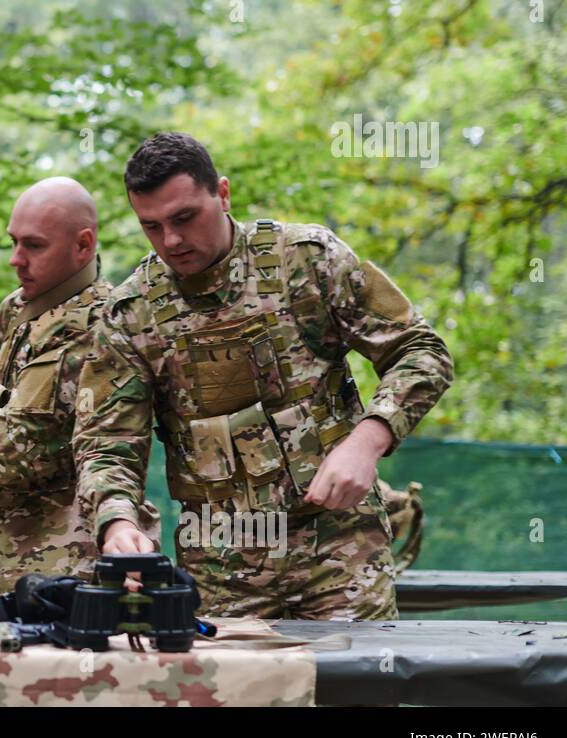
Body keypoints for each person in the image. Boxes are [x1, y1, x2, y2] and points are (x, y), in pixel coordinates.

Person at [73, 132, 453, 619]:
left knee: (356, 687)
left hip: (340, 552)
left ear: (223, 194)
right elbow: (105, 443)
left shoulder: (307, 261)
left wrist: (367, 441)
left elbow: (421, 350)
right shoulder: (130, 314)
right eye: (152, 226)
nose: (171, 240)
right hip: (221, 569)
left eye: (185, 217)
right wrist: (116, 520)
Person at [0, 177, 159, 597]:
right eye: (14, 242)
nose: (15, 260)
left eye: (34, 246)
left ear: (83, 245)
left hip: (70, 566)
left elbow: (17, 446)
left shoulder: (101, 327)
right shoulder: (20, 307)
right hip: (10, 557)